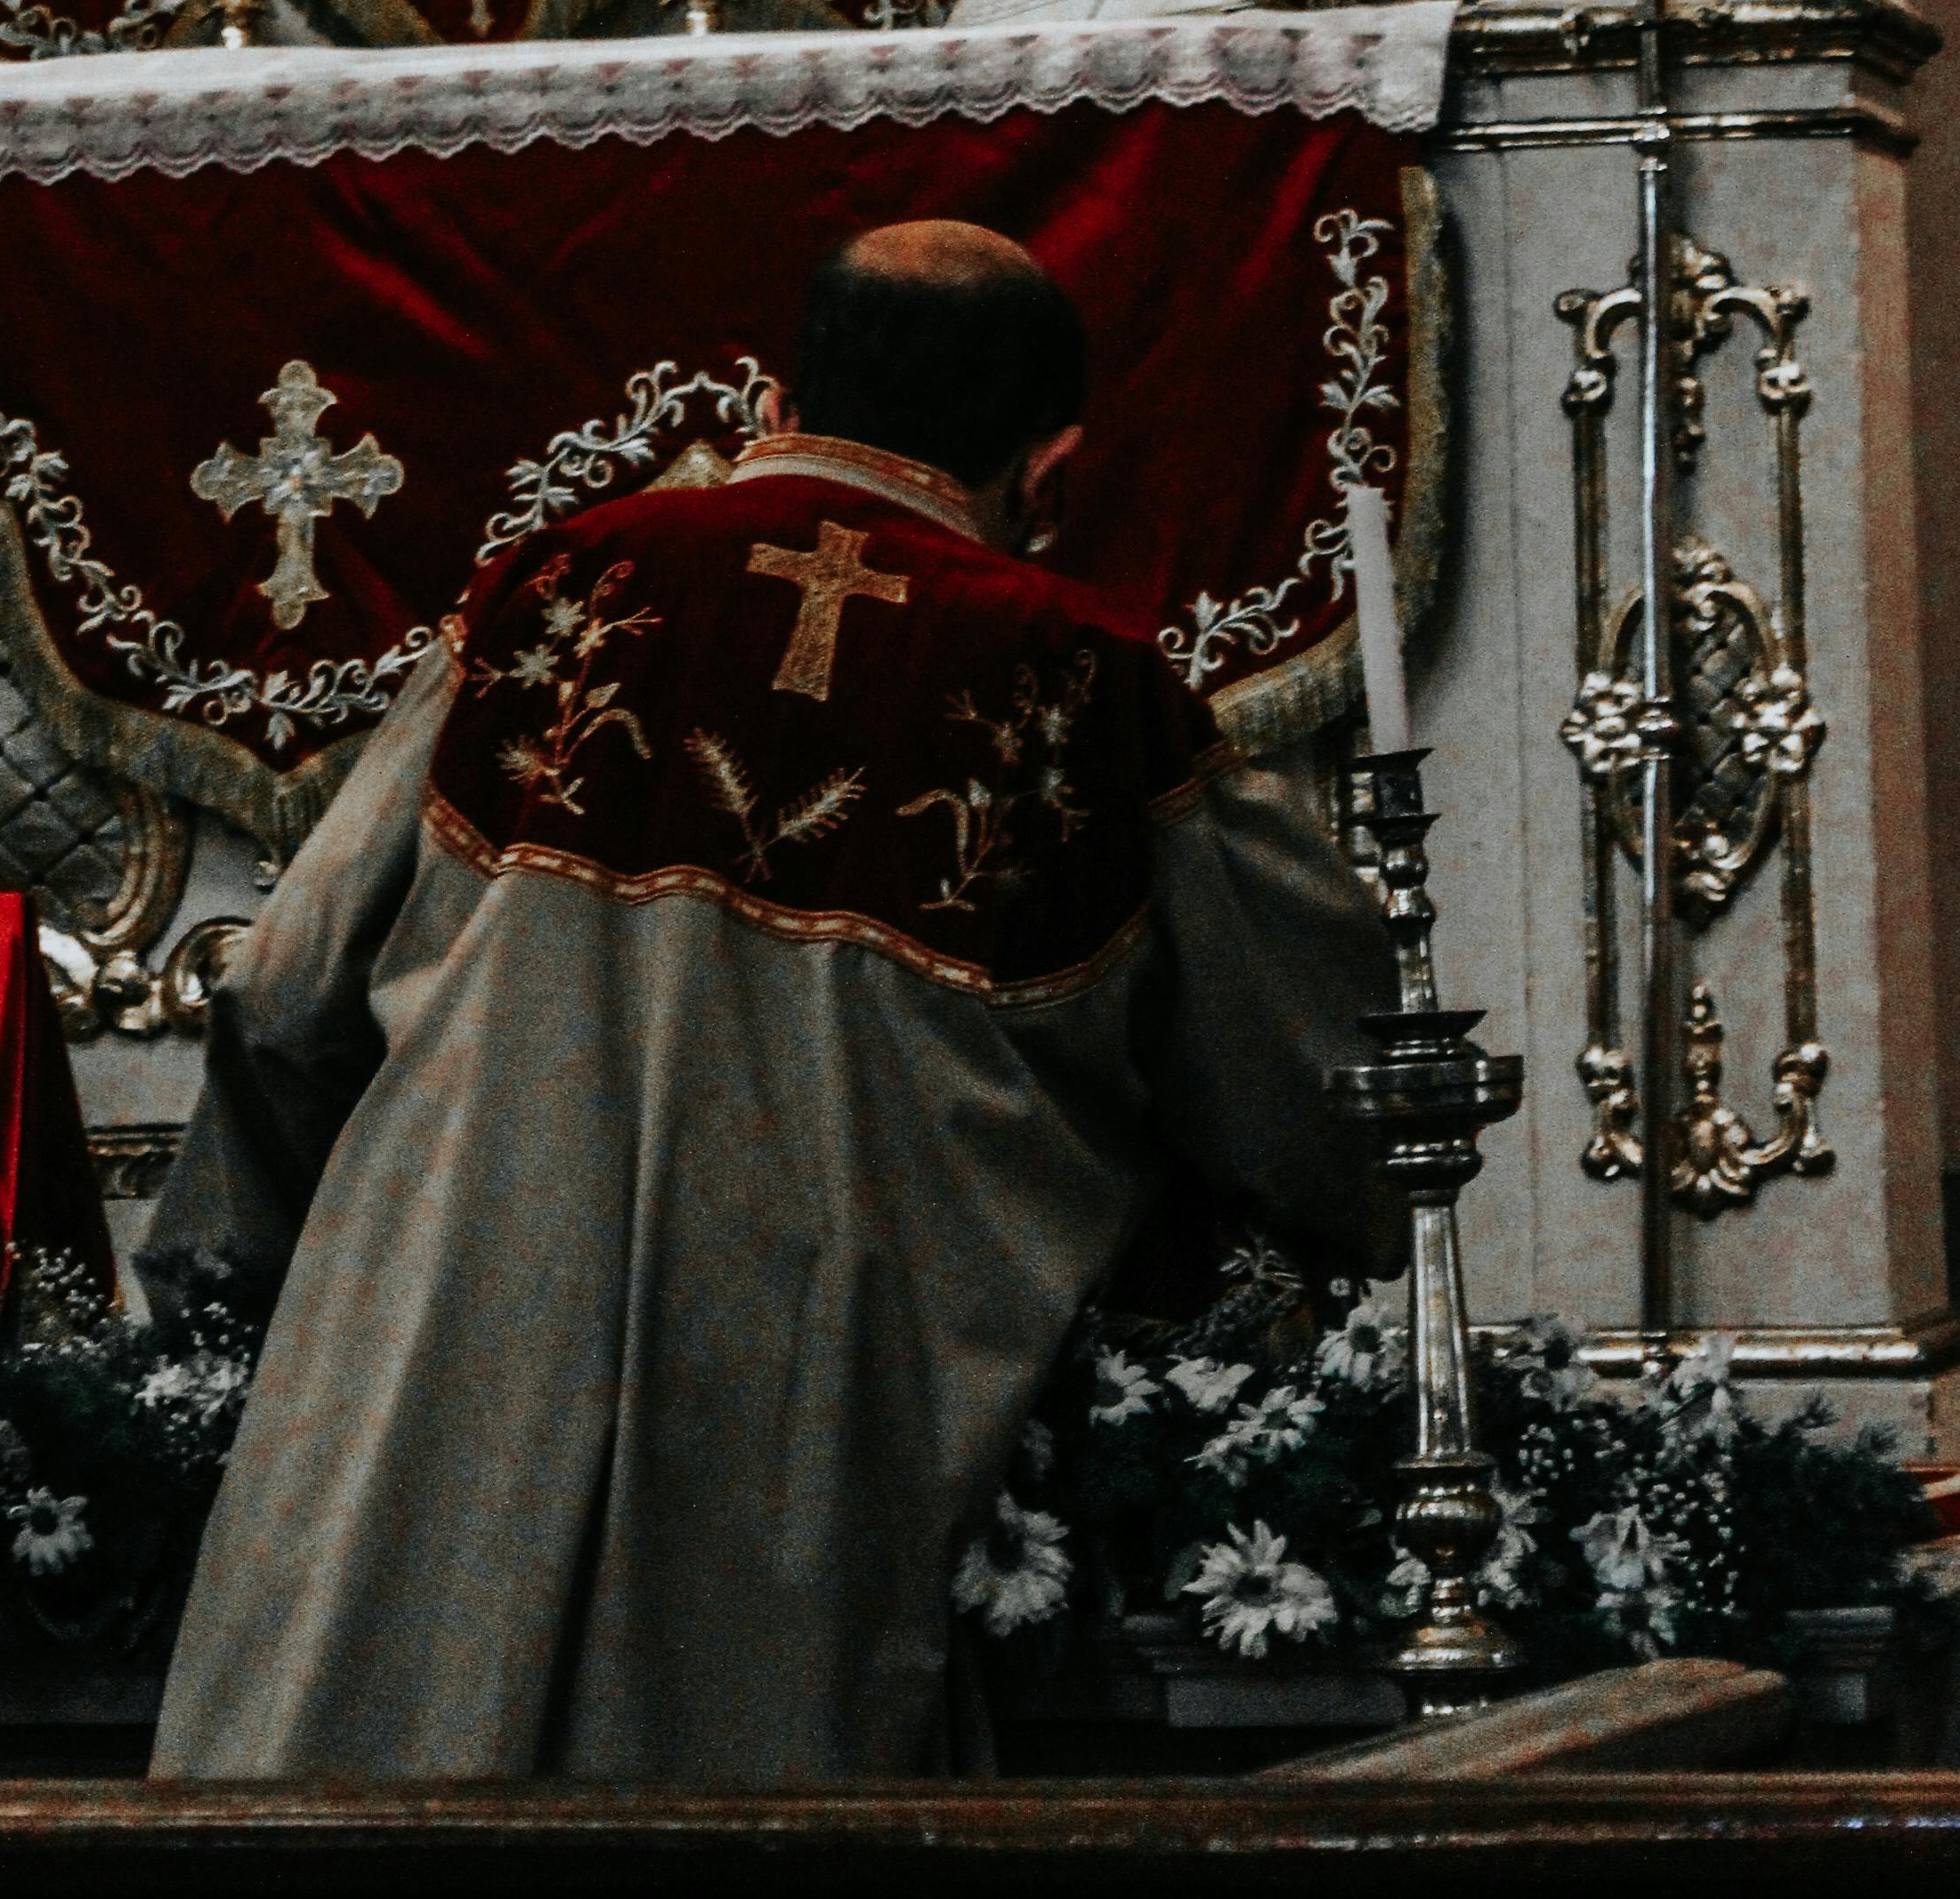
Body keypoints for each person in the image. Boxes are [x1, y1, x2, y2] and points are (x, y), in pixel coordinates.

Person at [143, 217, 1405, 1783]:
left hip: (438, 1384)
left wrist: (240, 1290)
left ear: (780, 398)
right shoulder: (1082, 687)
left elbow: (279, 987)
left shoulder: (566, 589)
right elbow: (1327, 1096)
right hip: (812, 1438)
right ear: (1054, 464)